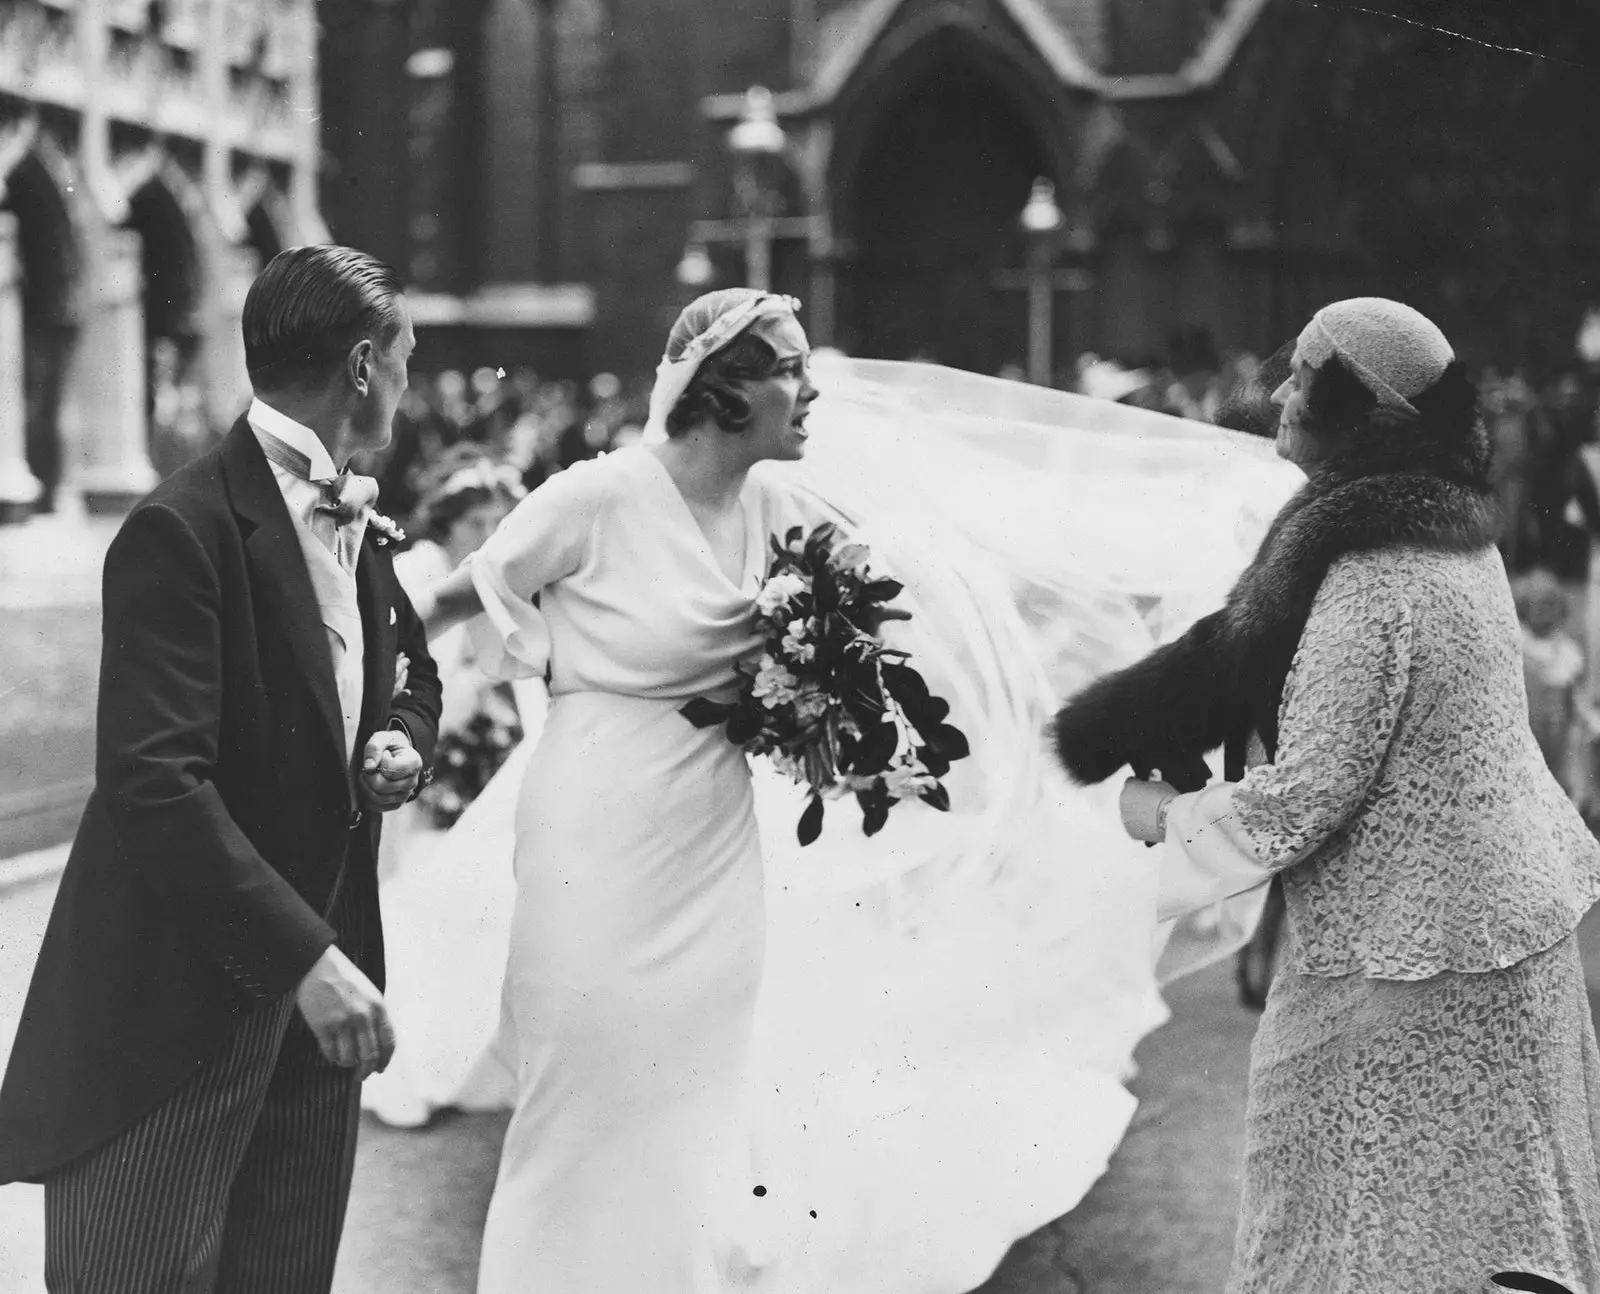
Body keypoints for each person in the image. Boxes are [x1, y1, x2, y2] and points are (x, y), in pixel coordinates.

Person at [415, 287, 1297, 1291]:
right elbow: (445, 605)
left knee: (693, 1098)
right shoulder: (596, 497)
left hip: (711, 846)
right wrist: (386, 727)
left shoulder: (789, 513)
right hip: (592, 836)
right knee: (583, 1089)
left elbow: (917, 629)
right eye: (788, 367)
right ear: (726, 388)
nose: (810, 389)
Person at [1057, 297, 1600, 1292]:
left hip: (1428, 956)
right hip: (1476, 933)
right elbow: (1246, 652)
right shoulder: (1431, 529)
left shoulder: (1375, 573)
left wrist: (1159, 820)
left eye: (1304, 374)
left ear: (1361, 410)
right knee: (1437, 1237)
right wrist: (1119, 724)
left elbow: (1307, 794)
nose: (1278, 389)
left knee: (1369, 1234)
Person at [0, 245, 443, 1292]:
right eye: (409, 364)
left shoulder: (356, 512)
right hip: (178, 1014)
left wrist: (402, 739)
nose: (410, 387)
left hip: (315, 1014)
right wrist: (305, 961)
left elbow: (409, 660)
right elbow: (154, 782)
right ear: (367, 365)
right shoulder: (181, 525)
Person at [359, 448, 530, 1128]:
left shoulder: (490, 577)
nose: (492, 530)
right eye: (480, 518)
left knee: (463, 906)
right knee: (414, 901)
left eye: (502, 518)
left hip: (469, 757)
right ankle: (410, 1060)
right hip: (425, 759)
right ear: (451, 521)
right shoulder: (419, 573)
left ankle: (460, 1051)